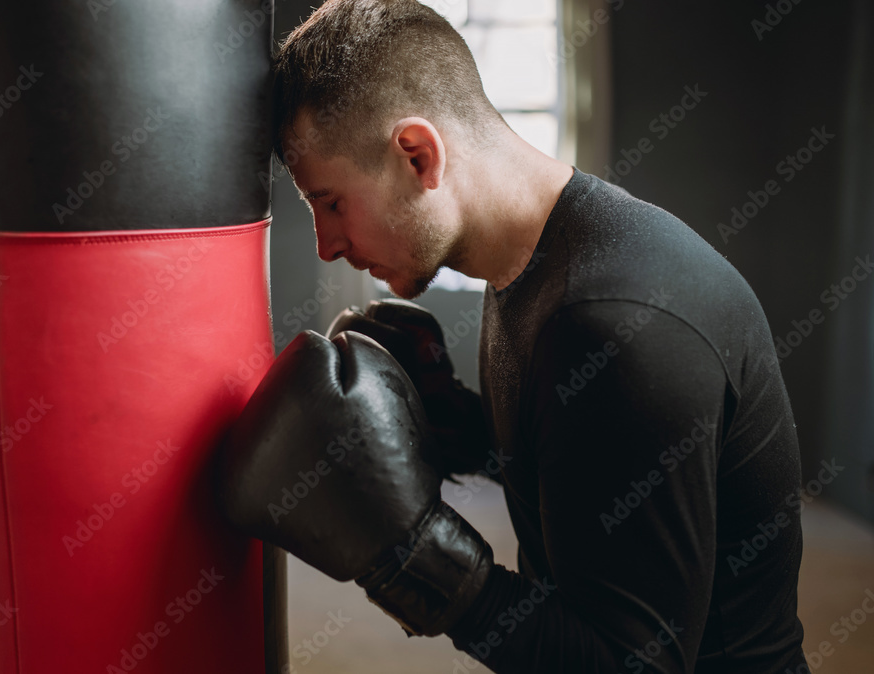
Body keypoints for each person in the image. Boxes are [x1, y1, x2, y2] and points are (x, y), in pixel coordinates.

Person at [220, 0, 812, 672]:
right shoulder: (541, 267)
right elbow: (594, 483)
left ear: (417, 155)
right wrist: (462, 431)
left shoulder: (611, 322)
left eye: (330, 201)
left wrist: (415, 558)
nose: (327, 245)